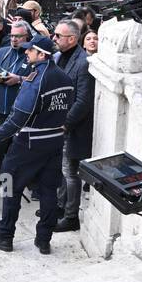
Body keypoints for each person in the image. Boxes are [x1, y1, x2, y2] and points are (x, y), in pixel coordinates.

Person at [0, 35, 74, 254]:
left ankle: (4, 235)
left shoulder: (36, 79)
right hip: (54, 141)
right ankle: (44, 239)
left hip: (28, 142)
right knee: (49, 191)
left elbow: (18, 117)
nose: (26, 53)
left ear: (42, 54)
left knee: (8, 184)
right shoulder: (64, 77)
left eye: (30, 50)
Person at [51, 18, 93, 233]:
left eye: (58, 35)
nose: (54, 38)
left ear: (73, 39)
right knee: (61, 170)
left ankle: (70, 216)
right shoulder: (58, 56)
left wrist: (65, 124)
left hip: (73, 127)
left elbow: (83, 101)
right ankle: (60, 207)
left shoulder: (84, 62)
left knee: (70, 173)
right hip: (57, 123)